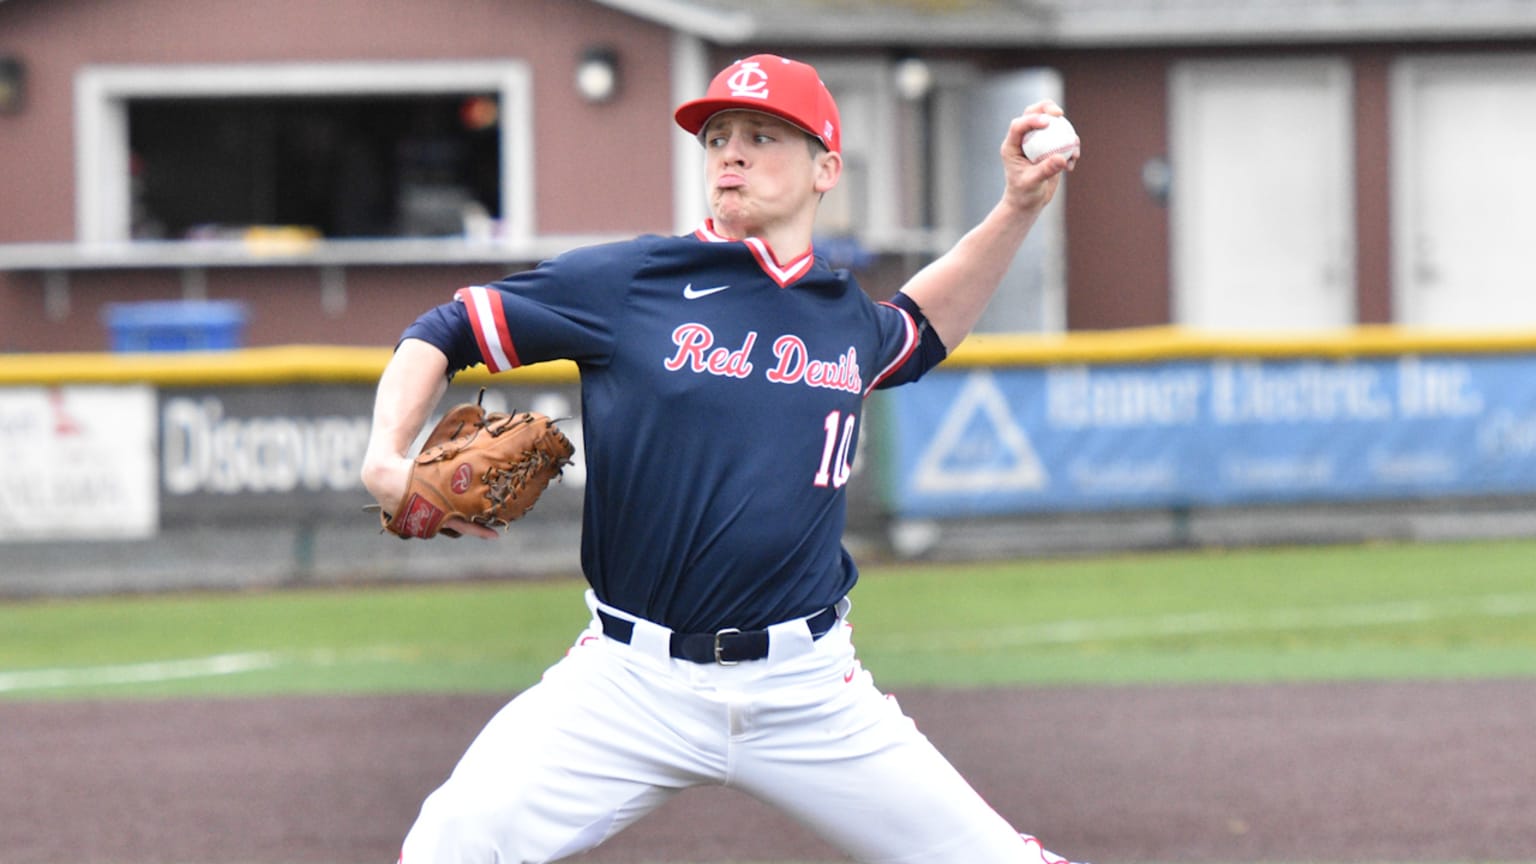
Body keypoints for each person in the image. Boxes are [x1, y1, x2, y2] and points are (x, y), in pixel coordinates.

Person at [362, 53, 1078, 864]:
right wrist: (387, 455)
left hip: (808, 690)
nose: (730, 152)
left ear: (825, 169)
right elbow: (444, 329)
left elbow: (924, 326)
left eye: (763, 135)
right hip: (630, 683)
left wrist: (1018, 207)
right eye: (718, 137)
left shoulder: (844, 317)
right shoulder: (637, 281)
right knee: (450, 845)